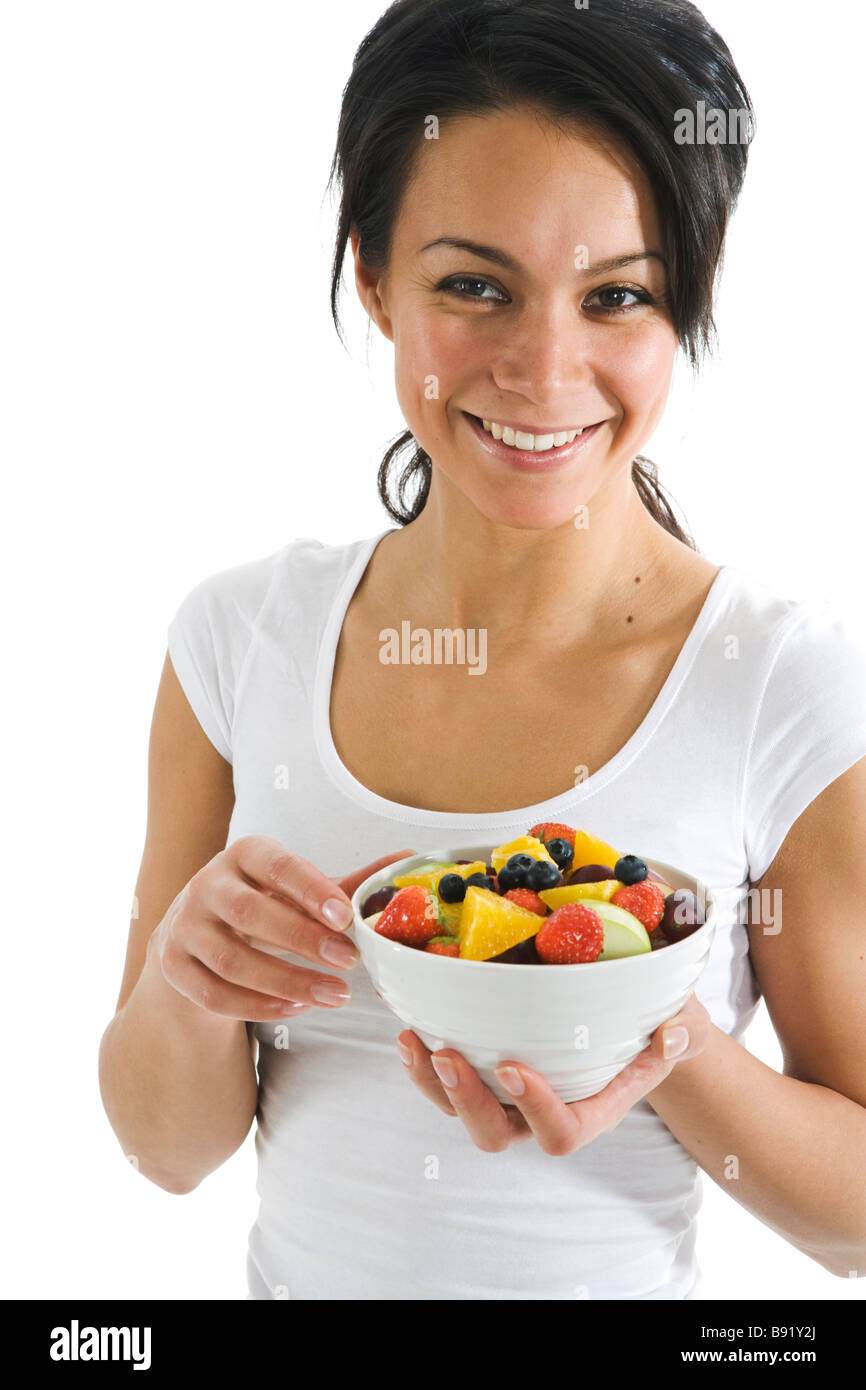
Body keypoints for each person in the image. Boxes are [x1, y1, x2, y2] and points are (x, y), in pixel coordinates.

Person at [98, 0, 866, 1300]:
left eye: (616, 294)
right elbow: (167, 1149)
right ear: (371, 276)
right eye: (473, 285)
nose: (543, 367)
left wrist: (657, 1032)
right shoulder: (237, 639)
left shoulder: (777, 685)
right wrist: (186, 977)